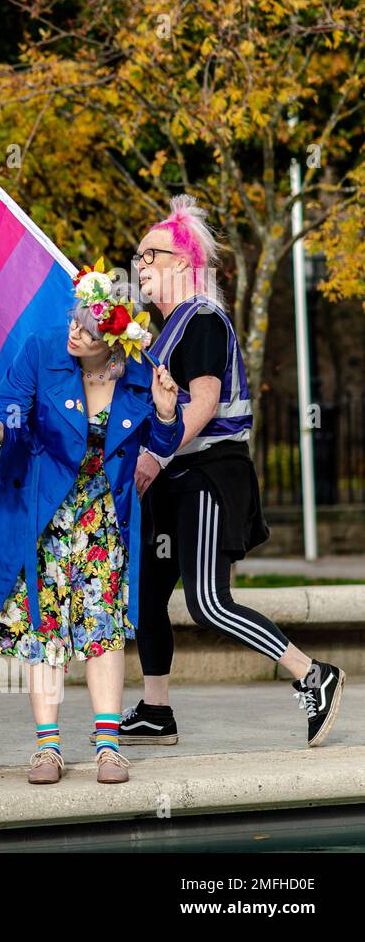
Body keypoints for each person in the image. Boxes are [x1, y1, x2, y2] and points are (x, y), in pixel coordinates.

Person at [126, 195, 345, 747]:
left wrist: (155, 455)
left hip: (206, 475)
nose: (139, 266)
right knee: (147, 595)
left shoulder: (200, 318)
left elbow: (202, 403)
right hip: (178, 477)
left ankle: (313, 674)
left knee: (208, 602)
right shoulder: (169, 328)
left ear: (181, 260)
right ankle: (156, 711)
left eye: (147, 255)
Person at [0, 271, 183, 785]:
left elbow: (164, 442)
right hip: (42, 518)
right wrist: (0, 425)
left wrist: (168, 415)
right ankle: (47, 749)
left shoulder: (138, 377)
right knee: (44, 631)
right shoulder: (42, 351)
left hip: (104, 521)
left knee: (104, 631)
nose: (75, 332)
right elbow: (8, 405)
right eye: (74, 320)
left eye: (88, 328)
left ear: (116, 340)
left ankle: (108, 746)